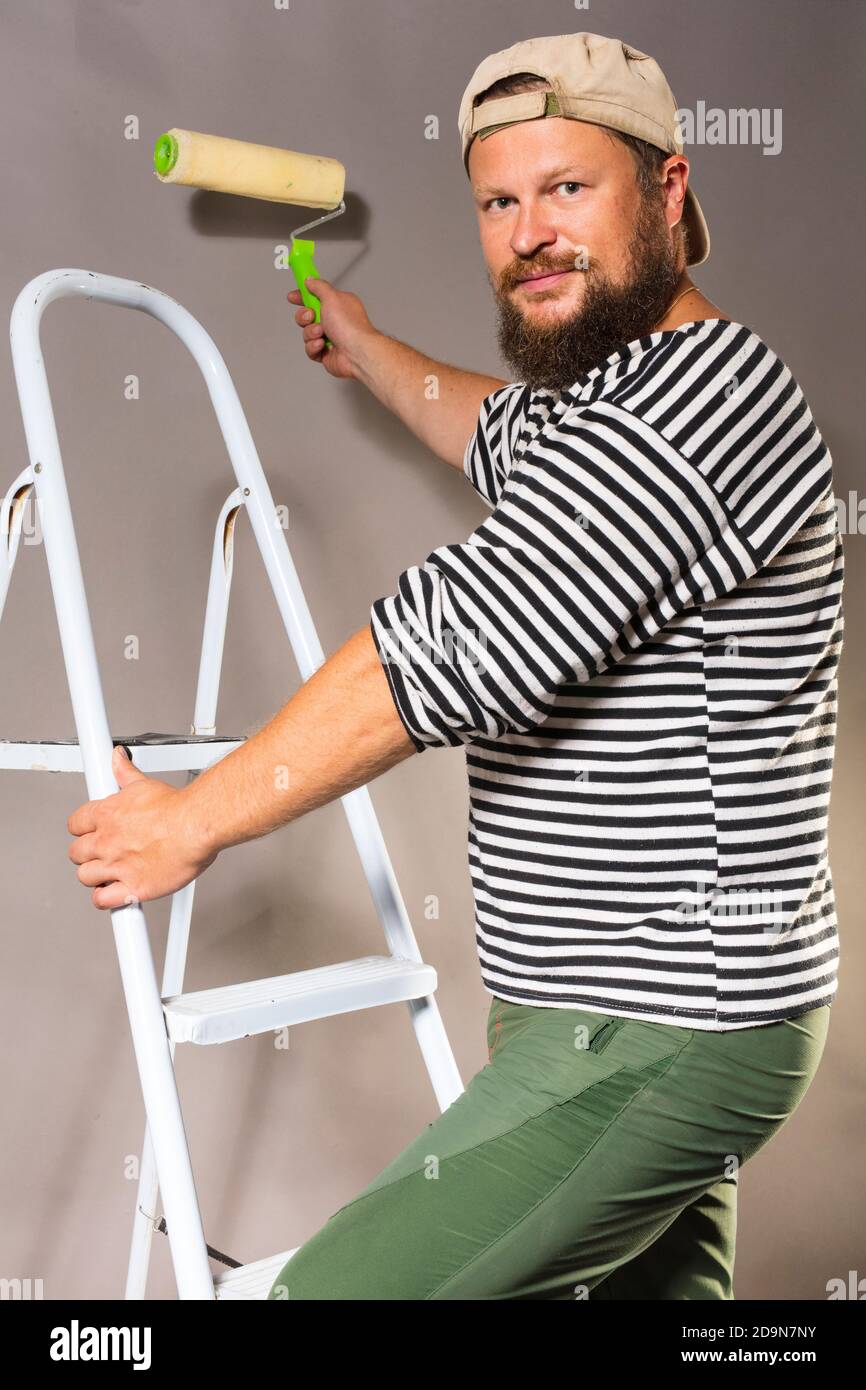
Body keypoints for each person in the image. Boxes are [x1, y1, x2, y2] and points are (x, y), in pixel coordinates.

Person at [66, 33, 843, 1299]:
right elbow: (500, 426)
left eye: (567, 189)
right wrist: (366, 349)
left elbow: (439, 648)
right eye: (498, 200)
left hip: (648, 1028)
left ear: (667, 190)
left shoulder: (692, 410)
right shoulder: (622, 398)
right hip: (656, 1018)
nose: (529, 231)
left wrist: (189, 822)